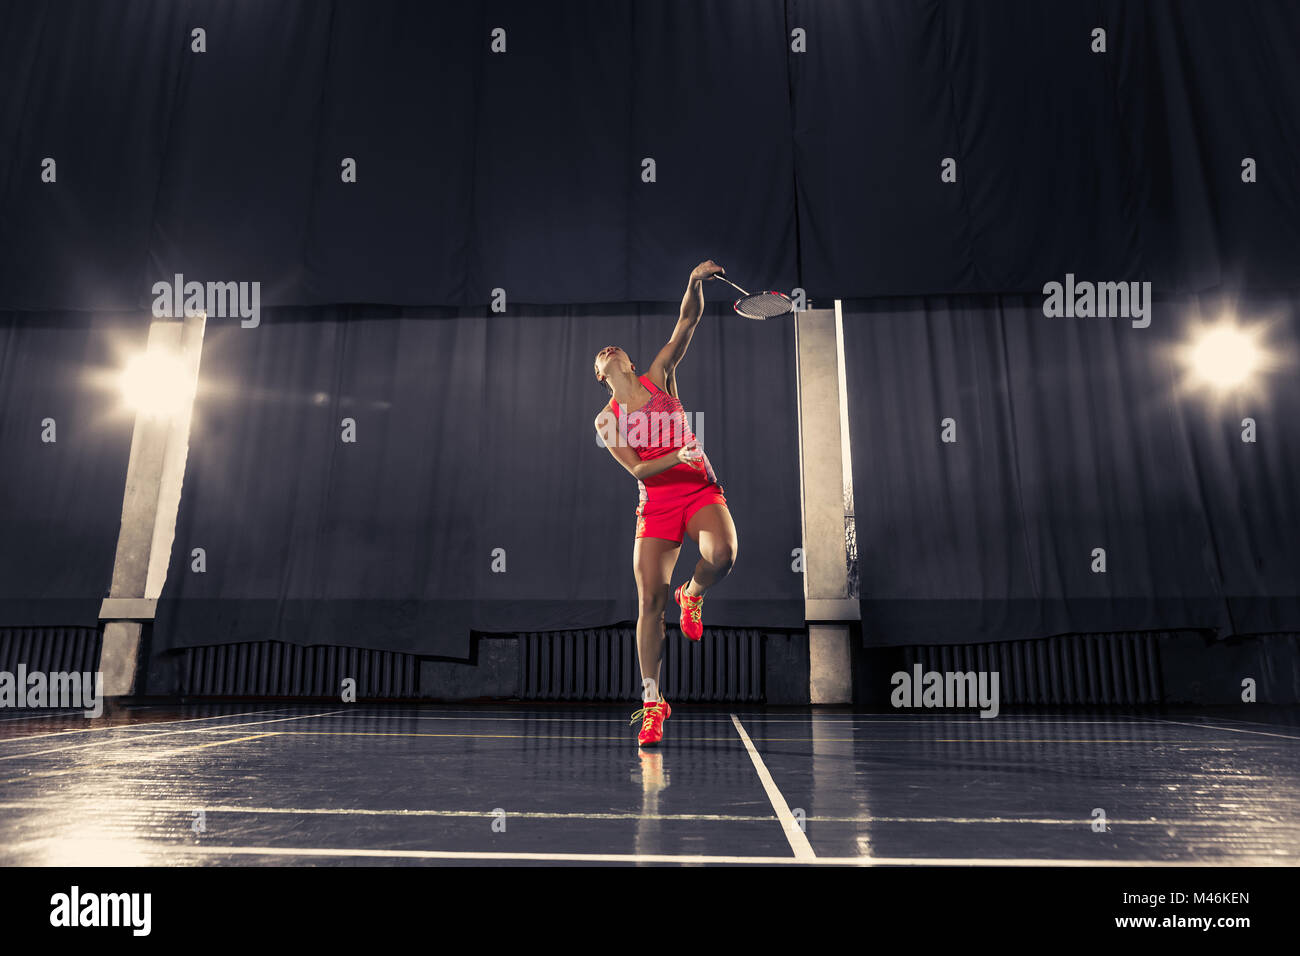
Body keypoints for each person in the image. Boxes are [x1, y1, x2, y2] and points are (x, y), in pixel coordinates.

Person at [593, 260, 739, 746]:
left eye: (616, 349)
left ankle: (693, 595)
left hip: (698, 489)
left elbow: (687, 322)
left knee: (723, 555)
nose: (610, 351)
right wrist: (675, 451)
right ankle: (652, 703)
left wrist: (693, 283)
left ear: (630, 363)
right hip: (655, 504)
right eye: (602, 355)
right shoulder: (605, 420)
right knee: (649, 602)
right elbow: (636, 469)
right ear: (601, 374)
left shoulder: (659, 375)